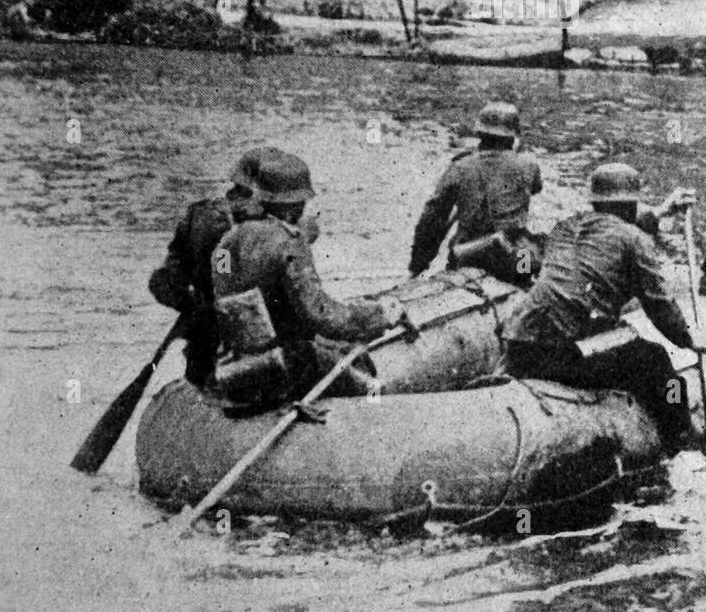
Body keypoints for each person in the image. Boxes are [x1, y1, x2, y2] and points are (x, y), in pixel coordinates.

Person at [502, 163, 701, 451]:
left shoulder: (563, 228)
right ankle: (681, 437)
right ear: (631, 203)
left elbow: (612, 234)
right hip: (562, 356)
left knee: (610, 332)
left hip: (520, 347)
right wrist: (690, 338)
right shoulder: (636, 241)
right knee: (656, 360)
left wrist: (660, 213)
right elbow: (658, 306)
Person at [211, 152, 408, 408]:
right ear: (296, 203)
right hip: (287, 364)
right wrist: (380, 315)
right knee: (373, 389)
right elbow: (319, 313)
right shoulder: (290, 244)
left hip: (238, 364)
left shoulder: (227, 242)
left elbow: (222, 286)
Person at [148, 148, 270, 387]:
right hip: (254, 351)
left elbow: (164, 282)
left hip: (204, 352)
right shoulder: (262, 227)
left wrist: (196, 310)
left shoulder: (199, 214)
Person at [408, 101, 544, 284]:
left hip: (470, 255)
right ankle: (525, 282)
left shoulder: (460, 167)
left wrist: (418, 264)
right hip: (515, 259)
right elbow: (536, 187)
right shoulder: (529, 165)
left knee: (457, 262)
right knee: (529, 252)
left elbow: (431, 219)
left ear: (479, 134)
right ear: (512, 136)